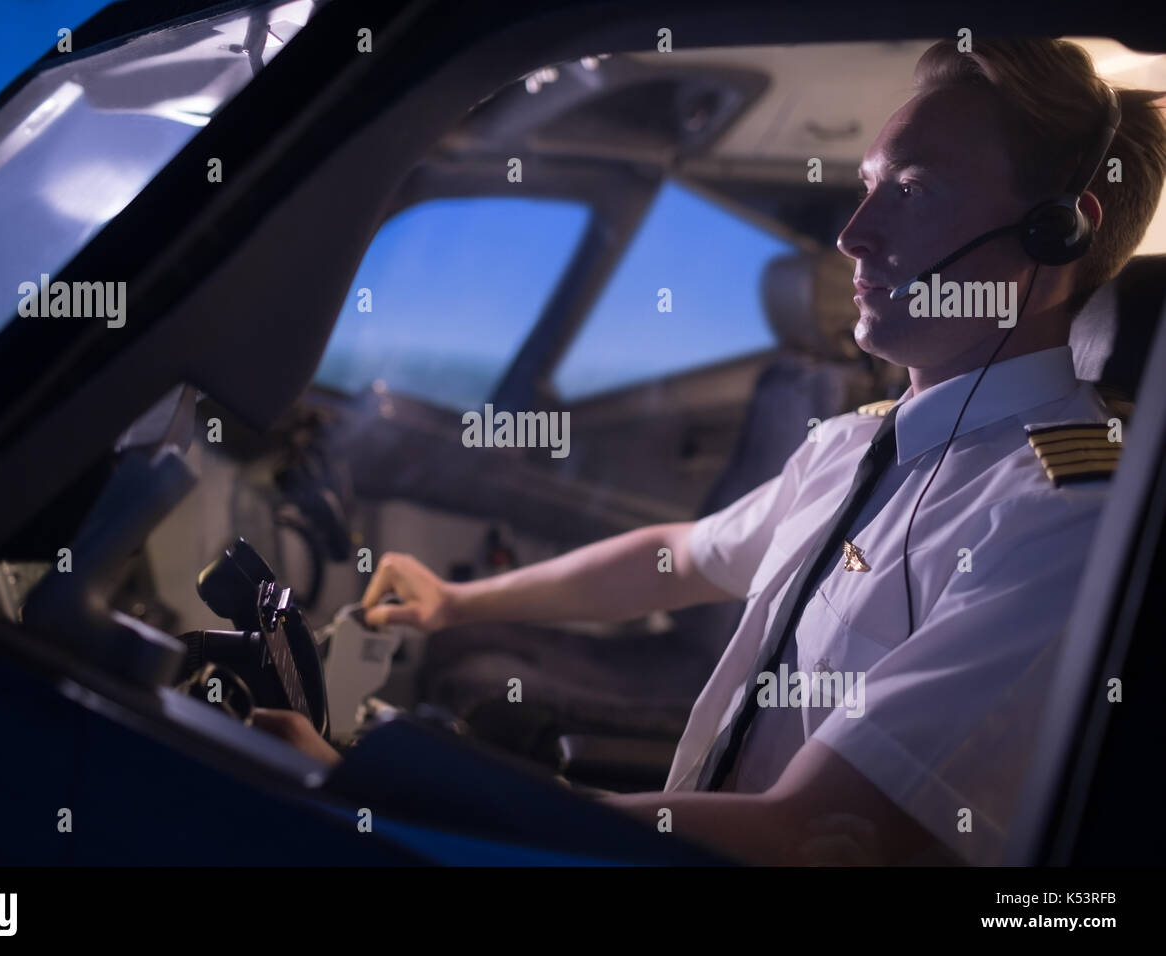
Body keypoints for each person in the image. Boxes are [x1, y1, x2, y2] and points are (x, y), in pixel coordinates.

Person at [255, 37, 1166, 865]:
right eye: (868, 186)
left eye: (914, 191)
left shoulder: (1066, 522)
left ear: (1057, 233)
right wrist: (457, 602)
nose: (853, 236)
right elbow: (678, 557)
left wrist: (392, 793)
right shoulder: (856, 444)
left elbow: (806, 833)